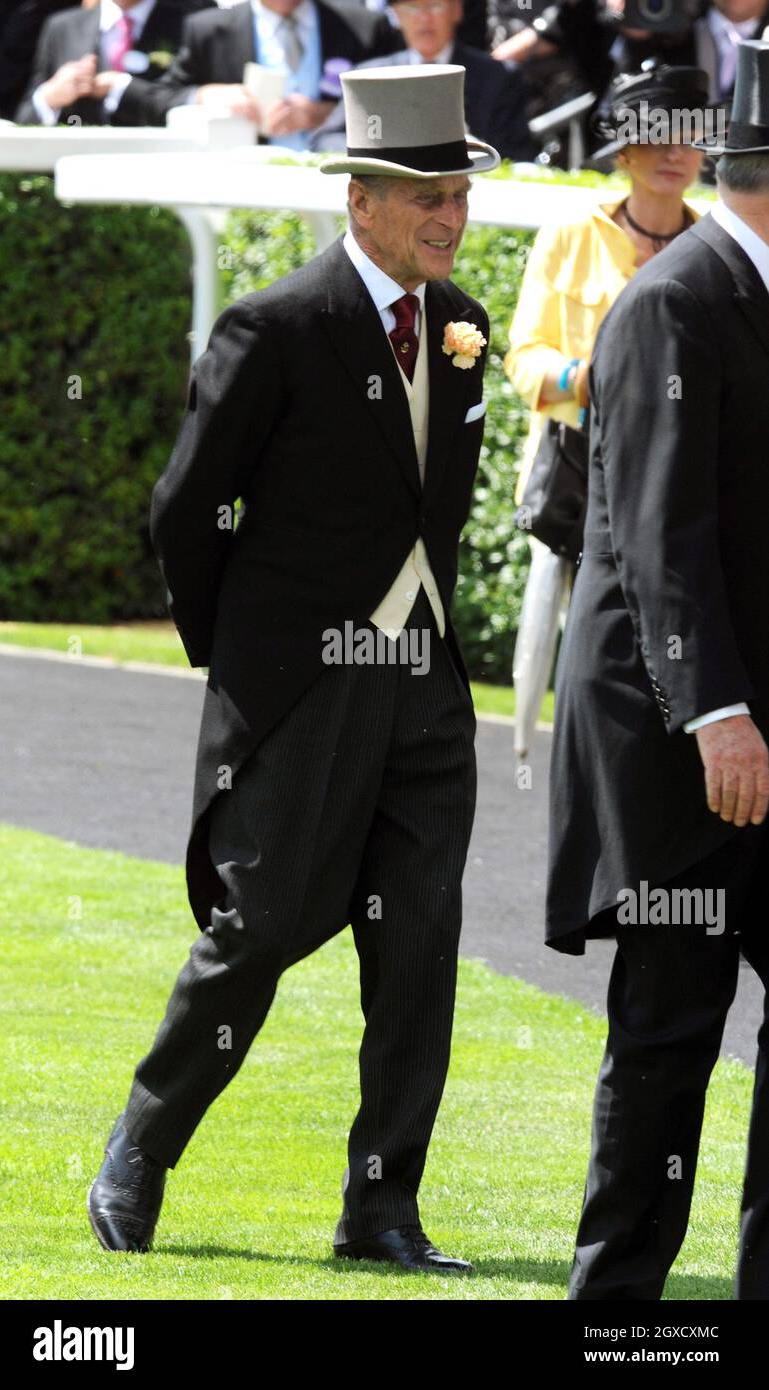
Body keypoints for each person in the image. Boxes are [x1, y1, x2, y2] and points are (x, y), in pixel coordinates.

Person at [87, 62, 497, 1273]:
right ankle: (141, 1152)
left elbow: (435, 510)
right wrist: (245, 665)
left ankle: (381, 1209)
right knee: (255, 930)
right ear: (359, 200)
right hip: (305, 684)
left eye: (458, 193)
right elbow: (184, 512)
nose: (449, 215)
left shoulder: (460, 328)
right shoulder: (274, 325)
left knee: (420, 948)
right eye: (425, 192)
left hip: (424, 679)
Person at [546, 37, 769, 1298]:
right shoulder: (672, 302)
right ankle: (618, 1310)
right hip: (685, 751)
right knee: (670, 1032)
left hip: (747, 732)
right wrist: (723, 716)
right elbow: (656, 540)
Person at [503, 64, 707, 758]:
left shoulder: (714, 244)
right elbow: (522, 357)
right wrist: (591, 378)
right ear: (624, 153)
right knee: (565, 653)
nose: (676, 152)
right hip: (577, 480)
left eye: (689, 137)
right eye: (658, 138)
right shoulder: (569, 235)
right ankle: (550, 761)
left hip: (681, 481)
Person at [106, 0, 400, 136]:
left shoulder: (363, 27)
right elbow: (157, 100)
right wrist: (203, 95)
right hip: (240, 189)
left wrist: (324, 114)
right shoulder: (209, 29)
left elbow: (395, 109)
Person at [308, 0, 535, 162]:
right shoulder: (370, 74)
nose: (424, 18)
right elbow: (325, 140)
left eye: (435, 5)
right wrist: (379, 153)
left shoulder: (498, 76)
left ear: (457, 10)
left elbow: (516, 155)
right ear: (395, 16)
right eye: (412, 7)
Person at [15, 0, 214, 126]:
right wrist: (50, 97)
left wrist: (121, 87)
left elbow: (203, 100)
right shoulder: (62, 27)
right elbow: (24, 117)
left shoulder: (195, 22)